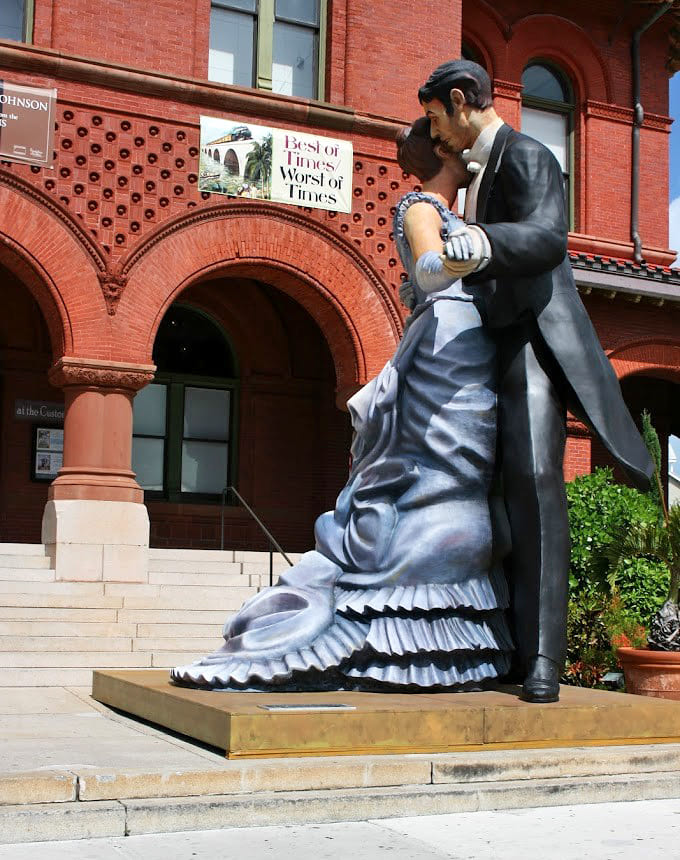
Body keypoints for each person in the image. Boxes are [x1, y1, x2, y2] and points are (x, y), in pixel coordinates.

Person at [172, 118, 513, 692]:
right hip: (445, 343)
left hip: (466, 344)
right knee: (432, 461)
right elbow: (430, 273)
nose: (469, 151)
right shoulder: (422, 207)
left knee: (458, 468)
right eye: (459, 145)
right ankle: (382, 592)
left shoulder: (457, 210)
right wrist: (468, 254)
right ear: (442, 151)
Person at [418, 59, 655, 703]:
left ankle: (544, 659)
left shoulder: (526, 155)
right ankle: (500, 646)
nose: (435, 136)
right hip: (485, 343)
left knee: (534, 480)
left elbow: (548, 239)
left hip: (530, 335)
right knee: (486, 492)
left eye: (437, 119)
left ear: (460, 100)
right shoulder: (472, 171)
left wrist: (480, 242)